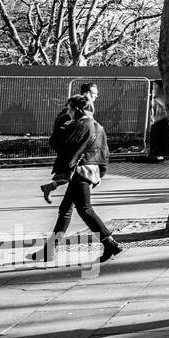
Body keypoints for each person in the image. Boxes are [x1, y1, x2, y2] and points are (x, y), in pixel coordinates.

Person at [41, 95, 123, 263]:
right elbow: (104, 152)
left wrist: (61, 129)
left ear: (76, 109)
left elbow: (61, 145)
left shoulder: (79, 125)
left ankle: (111, 244)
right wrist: (101, 172)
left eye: (69, 108)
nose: (67, 111)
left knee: (85, 209)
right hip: (90, 169)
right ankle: (50, 250)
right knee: (65, 209)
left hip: (80, 171)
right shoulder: (97, 125)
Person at [40, 83, 100, 202]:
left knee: (69, 198)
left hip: (75, 152)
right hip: (71, 151)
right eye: (93, 94)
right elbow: (64, 134)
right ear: (85, 95)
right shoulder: (73, 111)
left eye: (96, 94)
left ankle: (50, 188)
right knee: (71, 175)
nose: (96, 96)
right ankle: (50, 188)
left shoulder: (84, 111)